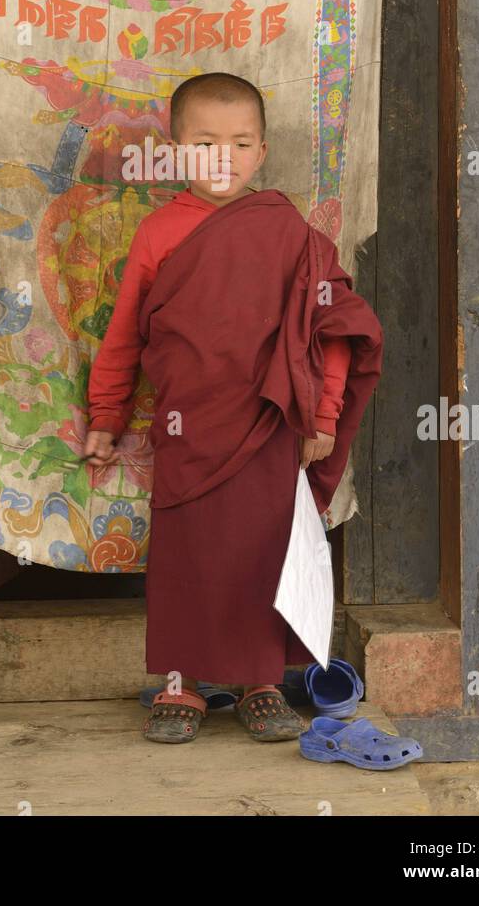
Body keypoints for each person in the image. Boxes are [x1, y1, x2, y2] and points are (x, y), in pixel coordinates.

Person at [83, 72, 383, 743]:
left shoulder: (291, 234)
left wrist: (325, 419)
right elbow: (128, 332)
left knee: (263, 551)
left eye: (241, 143)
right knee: (186, 555)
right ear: (174, 149)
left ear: (263, 151)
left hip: (273, 425)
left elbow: (333, 333)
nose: (225, 158)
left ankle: (261, 684)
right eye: (205, 142)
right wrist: (106, 417)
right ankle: (182, 683)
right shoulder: (159, 234)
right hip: (188, 427)